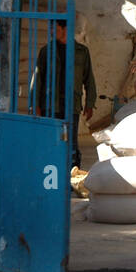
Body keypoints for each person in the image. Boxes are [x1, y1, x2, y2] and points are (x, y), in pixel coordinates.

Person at [30, 19, 96, 171]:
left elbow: (89, 79)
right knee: (51, 142)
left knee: (71, 143)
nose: (51, 32)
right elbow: (38, 78)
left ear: (65, 28)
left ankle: (71, 179)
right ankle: (51, 179)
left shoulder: (82, 52)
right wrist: (36, 104)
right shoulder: (46, 51)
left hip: (71, 104)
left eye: (55, 28)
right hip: (50, 104)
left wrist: (90, 103)